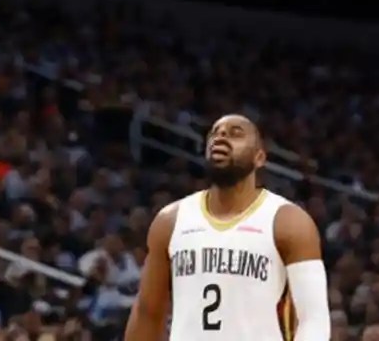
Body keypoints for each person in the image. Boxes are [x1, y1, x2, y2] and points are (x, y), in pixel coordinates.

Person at [124, 114, 330, 340]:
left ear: (259, 157)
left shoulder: (288, 221)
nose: (221, 136)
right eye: (215, 133)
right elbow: (148, 313)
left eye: (236, 133)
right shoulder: (170, 220)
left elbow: (313, 320)